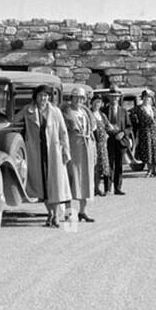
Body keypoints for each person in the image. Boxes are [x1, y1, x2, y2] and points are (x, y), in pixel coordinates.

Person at [23, 85, 72, 227]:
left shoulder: (55, 111)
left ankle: (57, 215)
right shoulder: (29, 110)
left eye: (45, 96)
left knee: (55, 185)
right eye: (40, 96)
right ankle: (50, 213)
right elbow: (14, 121)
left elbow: (63, 132)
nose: (43, 98)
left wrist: (66, 152)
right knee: (42, 185)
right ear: (36, 97)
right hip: (37, 152)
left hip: (54, 151)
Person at [64, 87, 97, 223]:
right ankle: (68, 213)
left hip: (86, 147)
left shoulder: (85, 112)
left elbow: (92, 129)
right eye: (76, 97)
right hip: (73, 147)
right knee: (71, 179)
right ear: (71, 98)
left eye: (81, 98)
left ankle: (83, 211)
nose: (78, 101)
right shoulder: (65, 113)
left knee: (86, 179)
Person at [103, 92, 129, 195]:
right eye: (112, 97)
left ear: (119, 98)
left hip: (120, 141)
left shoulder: (123, 111)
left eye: (116, 97)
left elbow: (129, 127)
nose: (114, 99)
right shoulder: (103, 111)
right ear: (109, 98)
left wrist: (123, 133)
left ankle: (117, 188)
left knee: (119, 165)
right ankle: (107, 188)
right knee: (108, 164)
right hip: (108, 141)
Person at [132, 90, 156, 177]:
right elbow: (131, 115)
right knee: (148, 151)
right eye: (145, 98)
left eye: (148, 98)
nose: (146, 99)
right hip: (145, 131)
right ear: (142, 98)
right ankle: (149, 170)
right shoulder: (138, 108)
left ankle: (155, 170)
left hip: (154, 131)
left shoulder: (153, 108)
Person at [91, 94, 112, 196]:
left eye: (99, 102)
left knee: (103, 167)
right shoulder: (89, 114)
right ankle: (95, 188)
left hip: (103, 145)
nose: (97, 104)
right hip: (94, 144)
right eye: (95, 102)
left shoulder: (102, 115)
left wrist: (112, 131)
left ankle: (104, 188)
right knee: (95, 167)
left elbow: (108, 127)